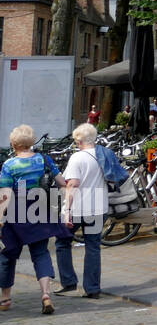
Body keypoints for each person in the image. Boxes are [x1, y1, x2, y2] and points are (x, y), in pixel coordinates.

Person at [0, 124, 70, 313]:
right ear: (30, 142)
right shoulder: (43, 160)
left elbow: (5, 194)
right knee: (40, 253)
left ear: (13, 144)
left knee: (7, 255)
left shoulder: (9, 165)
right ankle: (46, 294)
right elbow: (62, 182)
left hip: (15, 212)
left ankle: (5, 299)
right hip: (40, 208)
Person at [55, 123, 108, 299]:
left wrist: (67, 210)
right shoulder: (104, 155)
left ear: (79, 140)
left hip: (78, 208)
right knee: (93, 247)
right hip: (99, 207)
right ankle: (92, 288)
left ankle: (69, 282)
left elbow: (72, 185)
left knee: (62, 242)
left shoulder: (77, 158)